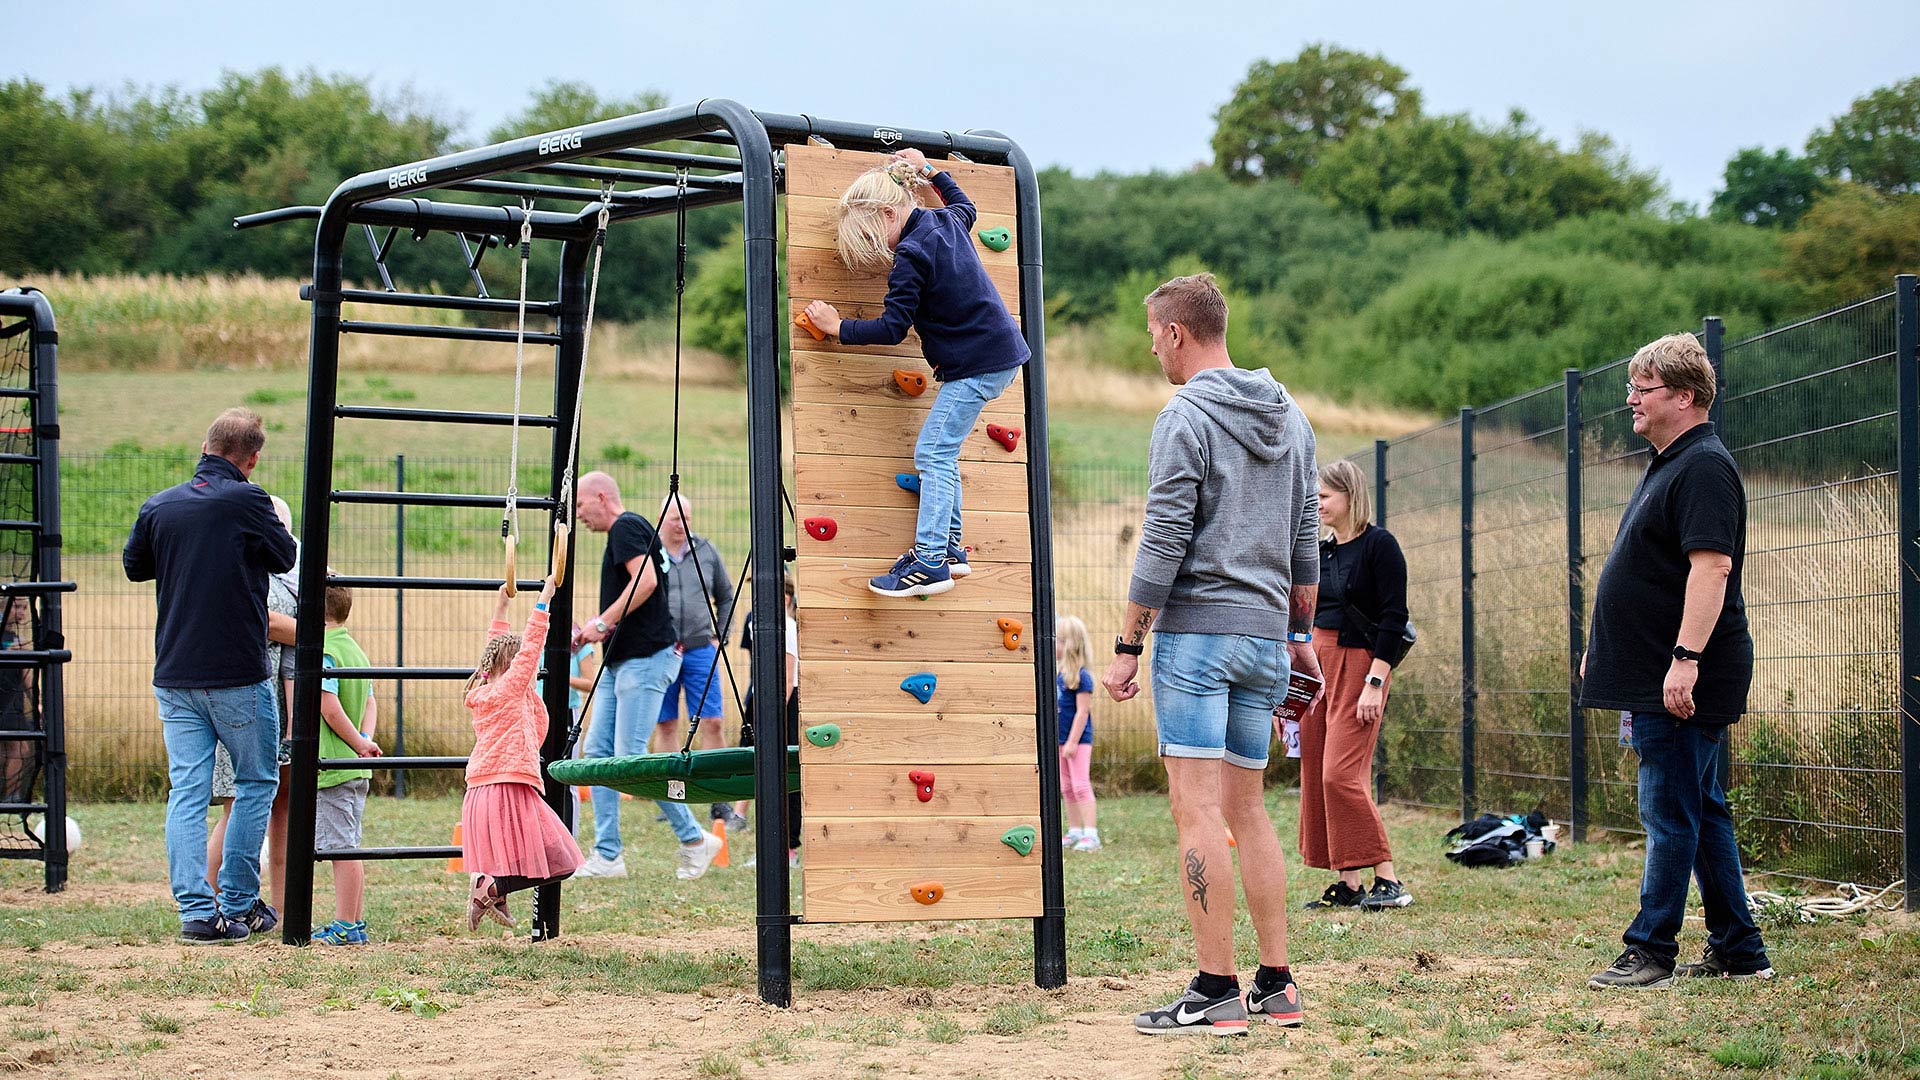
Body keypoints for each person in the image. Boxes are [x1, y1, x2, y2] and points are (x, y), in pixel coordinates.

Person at [1102, 273, 1321, 1035]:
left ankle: (1215, 989)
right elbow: (1304, 542)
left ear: (1174, 333)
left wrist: (1129, 642)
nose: (1153, 350)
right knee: (1248, 808)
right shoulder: (1292, 416)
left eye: (1152, 336)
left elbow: (1163, 538)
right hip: (1266, 638)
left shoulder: (1184, 416)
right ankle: (1278, 985)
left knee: (1195, 812)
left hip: (1197, 639)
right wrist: (1297, 637)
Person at [1581, 333, 1773, 989]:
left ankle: (1651, 951)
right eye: (1631, 386)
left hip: (1686, 675)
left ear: (1685, 396)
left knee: (1670, 812)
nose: (1630, 399)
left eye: (1644, 388)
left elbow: (1712, 567)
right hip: (1655, 671)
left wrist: (1685, 659)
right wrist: (1599, 649)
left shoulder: (1703, 467)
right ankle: (1740, 950)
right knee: (1701, 807)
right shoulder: (1672, 460)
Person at [800, 147, 1030, 599]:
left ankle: (929, 561)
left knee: (932, 455)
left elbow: (891, 327)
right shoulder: (945, 222)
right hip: (997, 357)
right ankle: (950, 551)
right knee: (942, 453)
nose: (880, 248)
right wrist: (931, 171)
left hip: (976, 364)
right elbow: (967, 205)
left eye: (874, 235)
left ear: (889, 213)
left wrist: (836, 327)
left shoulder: (910, 252)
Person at [123, 407, 295, 944]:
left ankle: (196, 913)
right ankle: (240, 905)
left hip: (174, 674)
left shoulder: (160, 505)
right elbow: (285, 555)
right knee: (256, 783)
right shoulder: (250, 499)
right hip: (238, 674)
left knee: (188, 793)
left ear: (205, 445)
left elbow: (135, 565)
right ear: (252, 458)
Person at [571, 471, 722, 881]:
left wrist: (600, 624)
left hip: (645, 659)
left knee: (630, 761)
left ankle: (695, 839)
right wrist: (595, 629)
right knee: (599, 756)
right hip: (619, 660)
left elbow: (646, 581)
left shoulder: (625, 526)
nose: (578, 514)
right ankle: (607, 856)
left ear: (601, 497)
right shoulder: (631, 530)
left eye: (581, 505)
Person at [1299, 460, 1413, 912]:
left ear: (1350, 496)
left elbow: (1394, 617)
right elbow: (1303, 616)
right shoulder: (1320, 551)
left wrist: (1374, 681)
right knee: (1316, 773)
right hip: (1317, 667)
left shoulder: (1379, 546)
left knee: (1340, 774)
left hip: (1361, 666)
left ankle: (1386, 876)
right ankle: (1348, 883)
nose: (1318, 503)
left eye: (1325, 495)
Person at [462, 575, 583, 929]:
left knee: (535, 858)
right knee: (564, 860)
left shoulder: (488, 687)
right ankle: (491, 886)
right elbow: (530, 647)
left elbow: (494, 647)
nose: (531, 669)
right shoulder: (513, 689)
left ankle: (495, 890)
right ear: (514, 668)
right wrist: (545, 599)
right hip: (509, 785)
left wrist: (502, 604)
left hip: (484, 788)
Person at [206, 494, 298, 906]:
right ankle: (209, 897)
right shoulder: (240, 575)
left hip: (280, 706)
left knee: (282, 811)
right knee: (239, 807)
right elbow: (266, 623)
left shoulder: (286, 578)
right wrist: (308, 627)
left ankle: (280, 904)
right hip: (244, 702)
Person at [650, 493, 743, 830]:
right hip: (663, 651)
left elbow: (727, 594)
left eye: (687, 518)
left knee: (713, 722)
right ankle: (672, 797)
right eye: (676, 519)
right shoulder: (650, 553)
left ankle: (718, 800)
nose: (683, 525)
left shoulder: (706, 550)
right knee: (667, 724)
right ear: (662, 520)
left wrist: (722, 636)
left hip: (703, 648)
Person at [311, 584, 380, 945]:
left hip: (336, 764)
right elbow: (370, 700)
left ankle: (345, 924)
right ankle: (352, 921)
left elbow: (328, 705)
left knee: (341, 849)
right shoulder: (355, 650)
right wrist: (365, 742)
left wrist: (354, 744)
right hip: (356, 765)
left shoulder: (327, 652)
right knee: (350, 845)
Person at [738, 572, 801, 867]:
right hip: (763, 700)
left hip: (782, 706)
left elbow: (787, 677)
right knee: (758, 770)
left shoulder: (786, 627)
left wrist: (772, 716)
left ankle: (788, 849)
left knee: (784, 776)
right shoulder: (759, 625)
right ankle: (765, 843)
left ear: (784, 600)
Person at [1055, 615, 1100, 852]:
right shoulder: (1059, 676)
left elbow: (1082, 713)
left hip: (1078, 742)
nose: (1054, 645)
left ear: (1070, 644)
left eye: (1058, 640)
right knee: (1066, 787)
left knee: (1081, 785)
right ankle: (1074, 831)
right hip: (1061, 741)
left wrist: (1072, 742)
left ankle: (1091, 834)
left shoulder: (1081, 677)